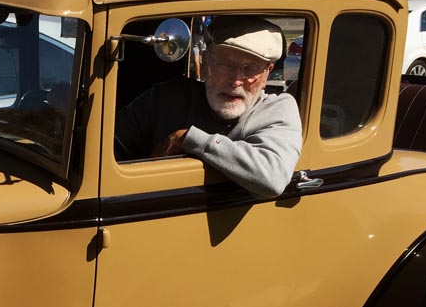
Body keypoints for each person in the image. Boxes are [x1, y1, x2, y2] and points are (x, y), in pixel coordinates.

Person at [115, 15, 303, 199]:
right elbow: (112, 146)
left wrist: (189, 138)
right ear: (205, 63)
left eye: (251, 68)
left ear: (266, 75)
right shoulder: (167, 98)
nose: (236, 81)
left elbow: (272, 178)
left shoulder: (277, 109)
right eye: (226, 65)